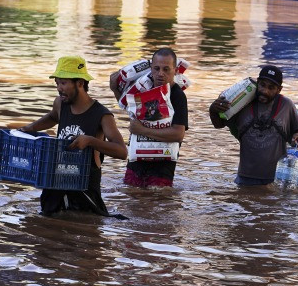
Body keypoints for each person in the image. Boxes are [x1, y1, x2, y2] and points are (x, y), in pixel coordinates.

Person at [18, 56, 128, 216]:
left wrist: (90, 141)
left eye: (63, 83)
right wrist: (30, 128)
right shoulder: (60, 104)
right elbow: (52, 117)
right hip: (56, 184)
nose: (59, 88)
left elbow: (122, 151)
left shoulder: (102, 115)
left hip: (84, 191)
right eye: (57, 83)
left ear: (80, 83)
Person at [208, 65, 298, 186]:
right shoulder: (242, 102)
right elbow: (219, 125)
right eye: (262, 85)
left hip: (277, 179)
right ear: (257, 82)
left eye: (271, 88)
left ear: (279, 89)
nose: (265, 91)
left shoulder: (286, 105)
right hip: (245, 177)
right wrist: (213, 110)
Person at [123, 47, 189, 187]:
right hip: (136, 164)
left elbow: (178, 134)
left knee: (158, 202)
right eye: (157, 68)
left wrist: (142, 130)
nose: (160, 74)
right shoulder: (143, 90)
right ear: (151, 70)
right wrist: (114, 88)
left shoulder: (177, 96)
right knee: (130, 201)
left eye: (166, 69)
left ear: (175, 71)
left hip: (161, 169)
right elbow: (127, 108)